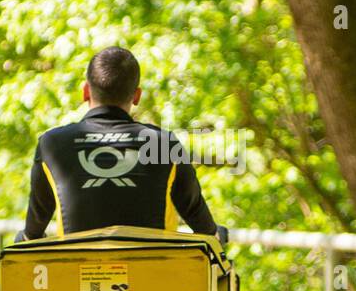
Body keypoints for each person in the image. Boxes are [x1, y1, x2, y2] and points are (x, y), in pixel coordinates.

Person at [20, 46, 220, 240]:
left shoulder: (52, 144)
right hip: (153, 271)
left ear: (86, 92)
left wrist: (27, 236)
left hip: (79, 270)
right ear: (136, 96)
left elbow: (34, 230)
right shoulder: (163, 145)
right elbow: (202, 225)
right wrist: (217, 233)